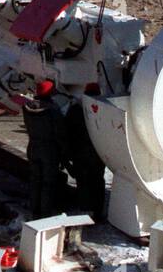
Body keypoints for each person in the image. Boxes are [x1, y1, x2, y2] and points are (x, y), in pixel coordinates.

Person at [21, 79, 67, 220]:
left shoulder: (27, 107)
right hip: (49, 150)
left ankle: (34, 209)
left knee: (35, 179)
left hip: (33, 146)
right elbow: (60, 133)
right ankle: (45, 213)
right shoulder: (53, 110)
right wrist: (64, 152)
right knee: (48, 182)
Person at [64, 96, 106, 220]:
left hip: (79, 153)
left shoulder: (74, 110)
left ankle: (84, 210)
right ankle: (97, 212)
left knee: (82, 183)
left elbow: (66, 132)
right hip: (96, 153)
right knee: (97, 182)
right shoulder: (102, 110)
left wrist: (68, 154)